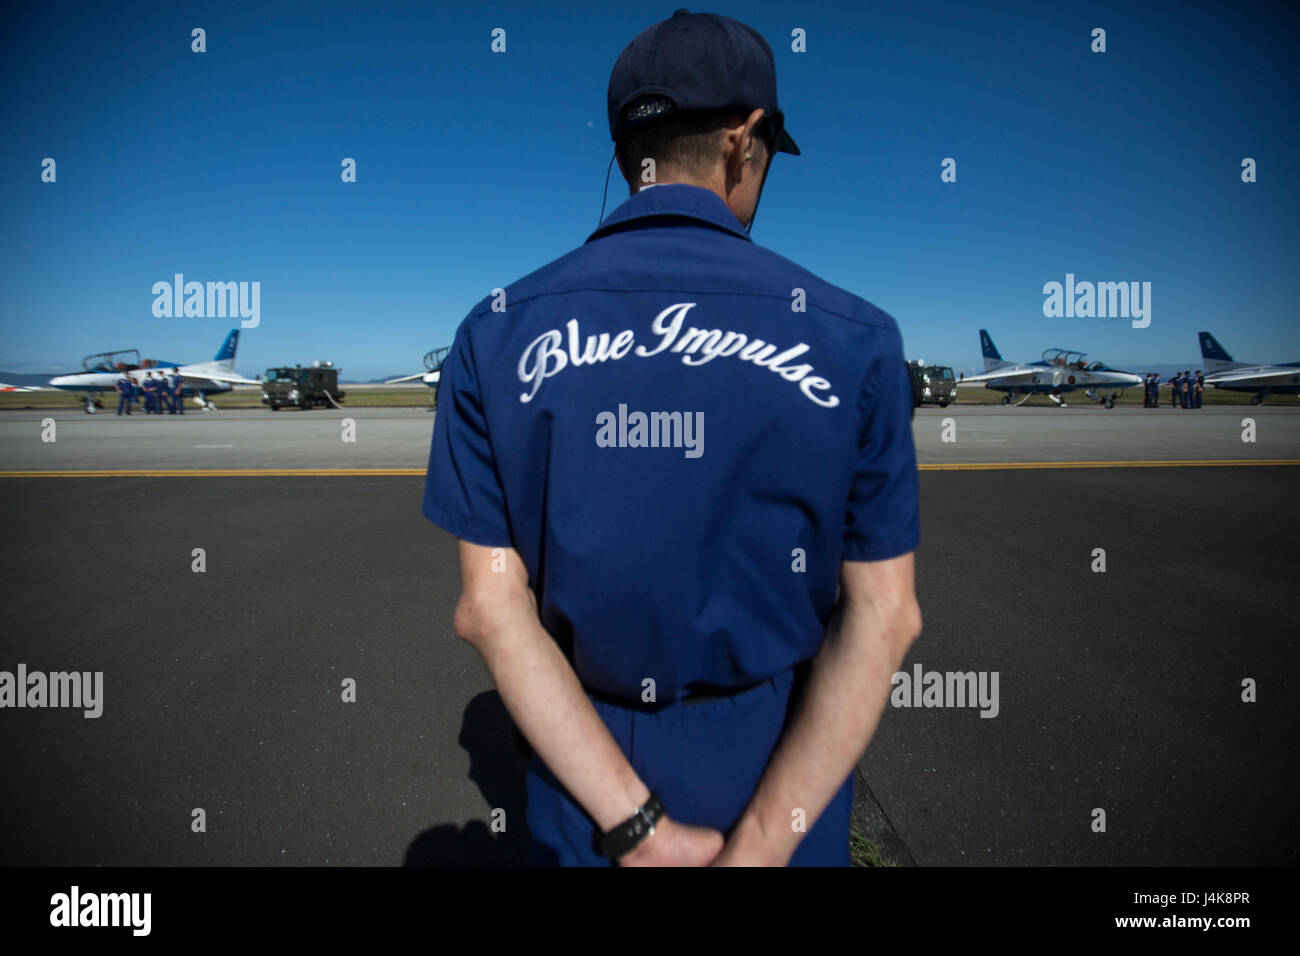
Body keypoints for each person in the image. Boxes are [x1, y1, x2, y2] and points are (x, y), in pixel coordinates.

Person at [423, 9, 922, 867]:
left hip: (585, 793)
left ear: (625, 153)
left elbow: (490, 608)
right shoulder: (856, 338)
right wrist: (762, 847)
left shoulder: (493, 335)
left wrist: (638, 826)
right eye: (766, 156)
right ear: (746, 139)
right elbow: (884, 615)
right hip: (783, 772)